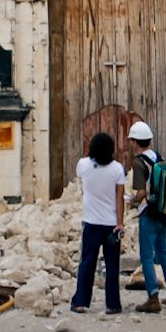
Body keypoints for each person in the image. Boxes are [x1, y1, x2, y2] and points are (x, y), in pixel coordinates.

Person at [127, 120, 166, 312]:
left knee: (147, 257)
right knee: (164, 253)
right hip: (163, 212)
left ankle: (153, 298)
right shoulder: (158, 157)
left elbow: (141, 192)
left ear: (134, 142)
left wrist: (131, 201)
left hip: (148, 213)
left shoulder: (139, 162)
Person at [70, 132, 125, 314]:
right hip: (111, 225)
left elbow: (83, 174)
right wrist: (120, 223)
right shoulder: (117, 169)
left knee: (87, 262)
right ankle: (113, 304)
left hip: (91, 223)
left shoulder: (83, 165)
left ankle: (81, 302)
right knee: (112, 265)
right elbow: (120, 199)